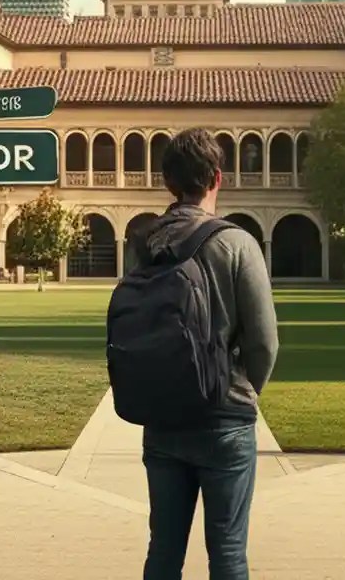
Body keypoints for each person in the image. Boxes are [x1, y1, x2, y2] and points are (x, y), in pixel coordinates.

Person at [128, 128, 280, 580]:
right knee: (228, 552)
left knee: (164, 549)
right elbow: (264, 341)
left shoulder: (148, 241)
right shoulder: (237, 244)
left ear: (167, 181)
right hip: (224, 418)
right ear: (217, 177)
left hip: (163, 416)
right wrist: (247, 391)